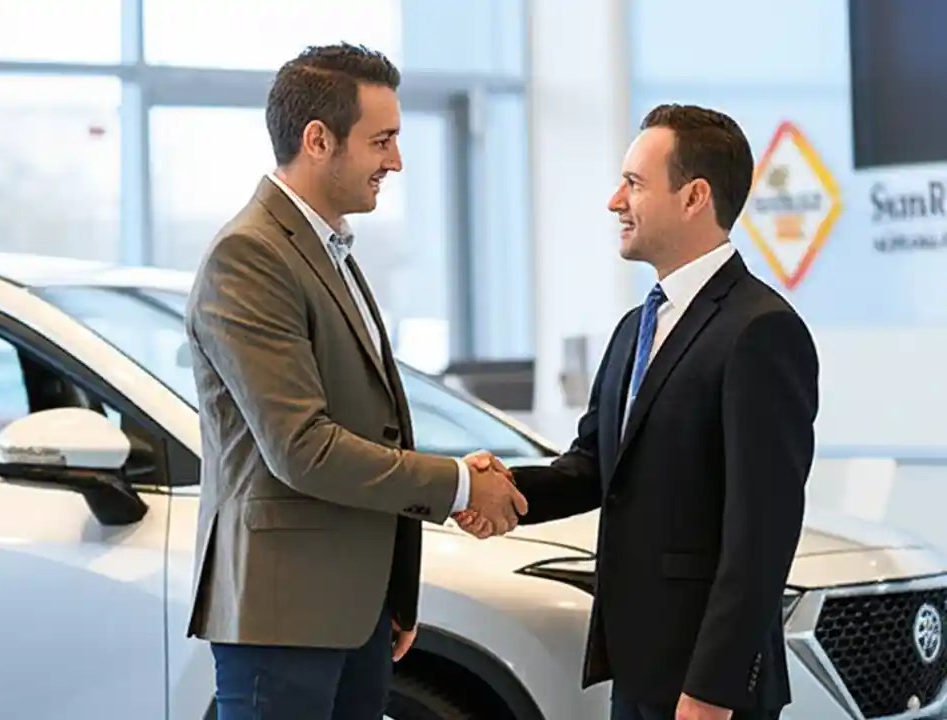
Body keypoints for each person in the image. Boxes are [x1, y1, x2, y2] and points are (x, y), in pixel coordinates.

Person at [183, 43, 526, 720]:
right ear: (318, 140)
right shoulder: (250, 254)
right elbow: (302, 448)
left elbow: (374, 421)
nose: (395, 161)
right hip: (284, 619)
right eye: (382, 140)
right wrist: (458, 483)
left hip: (353, 610)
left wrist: (393, 591)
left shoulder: (326, 248)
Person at [471, 104, 819, 720]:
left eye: (633, 183)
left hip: (705, 687)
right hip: (636, 669)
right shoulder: (636, 328)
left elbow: (761, 538)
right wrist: (491, 489)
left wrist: (713, 690)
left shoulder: (761, 331)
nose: (614, 201)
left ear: (694, 197)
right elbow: (594, 468)